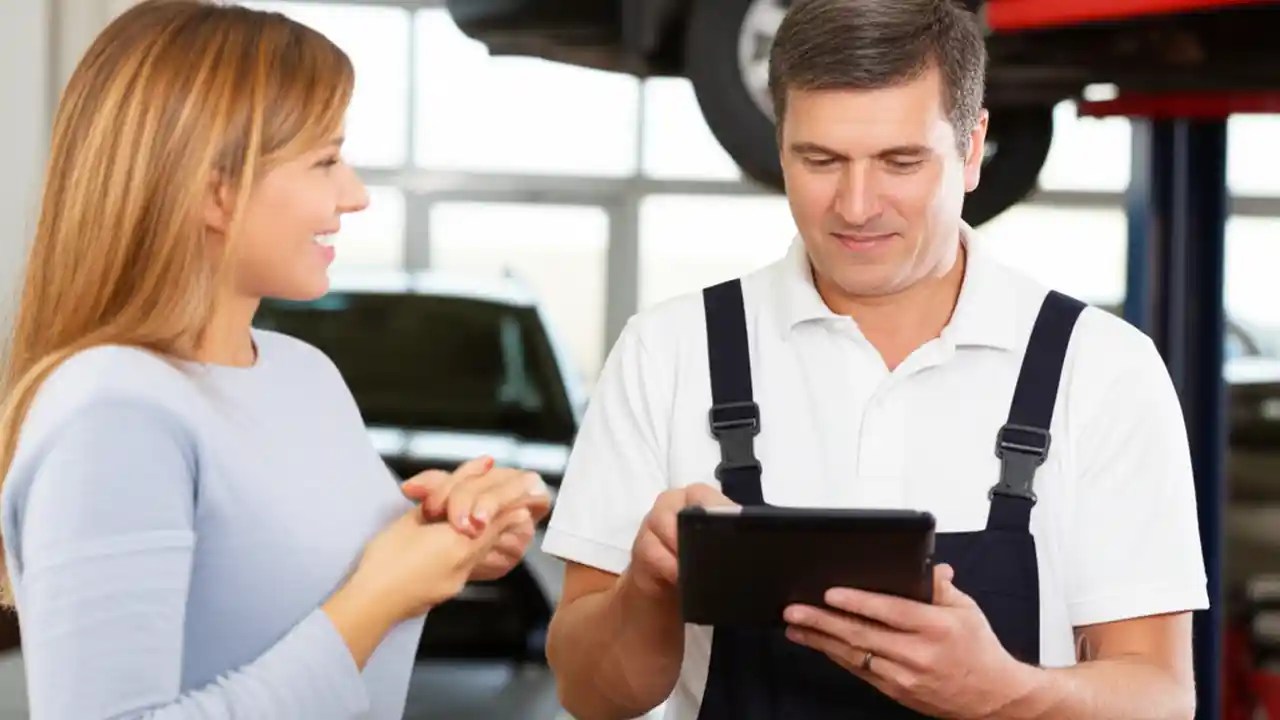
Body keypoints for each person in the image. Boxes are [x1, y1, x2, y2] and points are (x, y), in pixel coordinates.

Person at [541, 0, 1209, 718]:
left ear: (973, 148)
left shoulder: (1102, 369)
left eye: (899, 162)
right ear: (781, 144)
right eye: (820, 160)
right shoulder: (668, 353)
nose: (856, 206)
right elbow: (589, 694)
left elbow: (1159, 696)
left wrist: (1003, 692)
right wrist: (647, 589)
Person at [0, 2, 549, 719]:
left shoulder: (302, 373)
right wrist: (384, 593)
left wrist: (459, 538)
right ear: (214, 187)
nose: (352, 195)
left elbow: (298, 570)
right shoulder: (115, 410)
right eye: (325, 160)